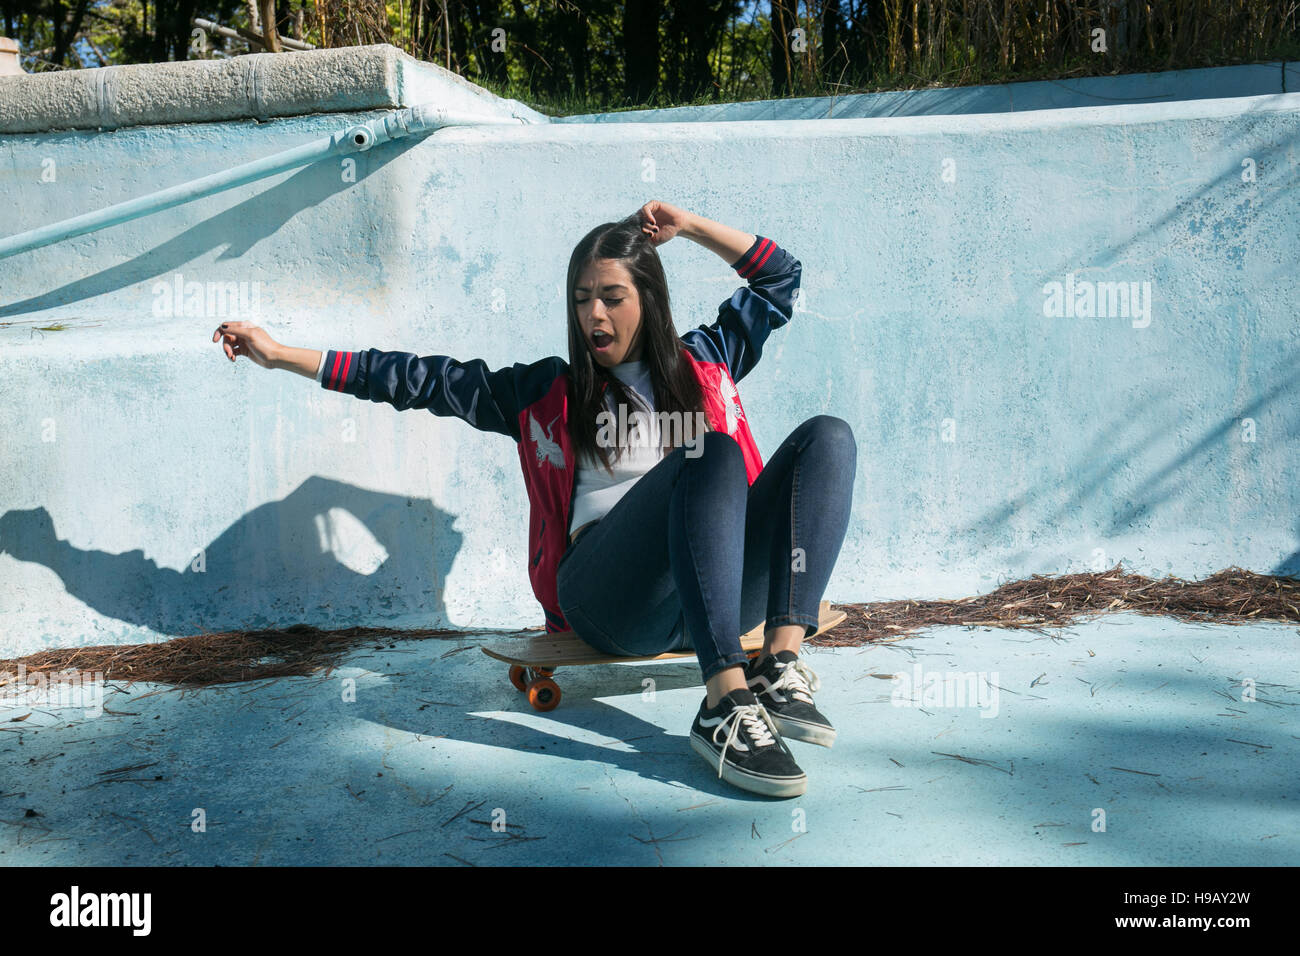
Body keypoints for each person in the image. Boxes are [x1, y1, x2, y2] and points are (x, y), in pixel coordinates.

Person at [212, 200, 857, 798]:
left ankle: (779, 663)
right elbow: (416, 380)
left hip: (712, 596)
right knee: (708, 451)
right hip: (609, 598)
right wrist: (280, 355)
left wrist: (689, 227)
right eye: (582, 301)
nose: (593, 316)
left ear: (650, 300)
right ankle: (722, 703)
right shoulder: (550, 391)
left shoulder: (706, 362)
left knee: (827, 439)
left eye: (612, 297)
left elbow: (781, 281)